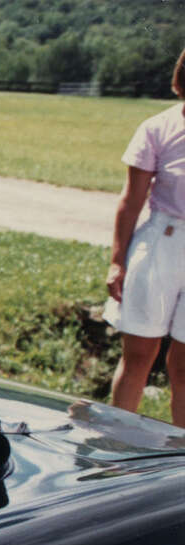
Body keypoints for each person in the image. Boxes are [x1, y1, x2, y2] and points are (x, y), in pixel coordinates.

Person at [104, 47, 185, 428]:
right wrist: (117, 261)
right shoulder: (157, 128)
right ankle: (115, 445)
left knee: (184, 364)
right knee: (139, 353)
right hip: (162, 244)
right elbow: (131, 200)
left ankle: (179, 462)